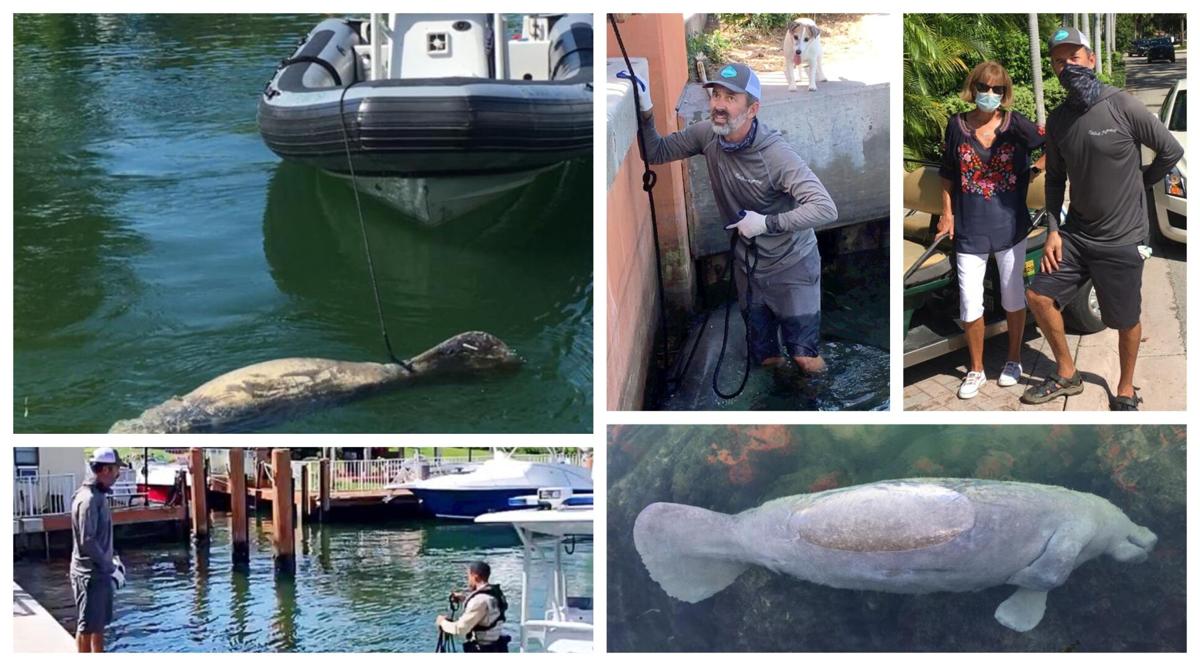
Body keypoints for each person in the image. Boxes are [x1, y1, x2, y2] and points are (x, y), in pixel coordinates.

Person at [625, 61, 838, 373]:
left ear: (752, 109)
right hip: (748, 268)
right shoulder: (706, 135)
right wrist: (645, 108)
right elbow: (655, 152)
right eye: (716, 96)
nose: (719, 106)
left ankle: (822, 406)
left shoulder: (776, 156)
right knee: (766, 357)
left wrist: (767, 223)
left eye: (730, 98)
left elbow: (825, 207)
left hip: (793, 267)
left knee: (804, 356)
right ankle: (779, 403)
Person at [1023, 27, 1183, 410]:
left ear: (1091, 60)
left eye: (1074, 58)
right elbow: (1056, 177)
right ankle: (1066, 373)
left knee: (1124, 320)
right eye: (1060, 61)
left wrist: (1142, 180)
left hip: (1123, 237)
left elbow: (1170, 150)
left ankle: (1126, 387)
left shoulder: (1123, 105)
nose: (1067, 67)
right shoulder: (1060, 120)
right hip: (1076, 234)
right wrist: (1053, 230)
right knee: (1038, 295)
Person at [938, 61, 1046, 399]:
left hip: (1010, 226)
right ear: (973, 88)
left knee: (1012, 294)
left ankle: (1013, 360)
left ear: (1005, 93)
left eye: (997, 89)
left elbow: (1054, 143)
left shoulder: (1015, 125)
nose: (990, 94)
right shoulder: (956, 125)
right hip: (969, 226)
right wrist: (946, 213)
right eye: (984, 87)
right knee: (970, 302)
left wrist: (1033, 172)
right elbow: (947, 173)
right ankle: (976, 369)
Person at [70, 448, 127, 653]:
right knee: (86, 627)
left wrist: (111, 560)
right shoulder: (89, 500)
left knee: (98, 624)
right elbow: (88, 541)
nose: (118, 474)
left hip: (99, 573)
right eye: (115, 469)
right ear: (103, 470)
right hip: (90, 575)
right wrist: (109, 565)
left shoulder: (98, 496)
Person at [436, 561, 509, 652]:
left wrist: (442, 622)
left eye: (469, 577)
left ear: (475, 577)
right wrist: (464, 598)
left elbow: (460, 629)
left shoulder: (478, 601)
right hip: (498, 646)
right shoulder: (496, 594)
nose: (468, 580)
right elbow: (487, 608)